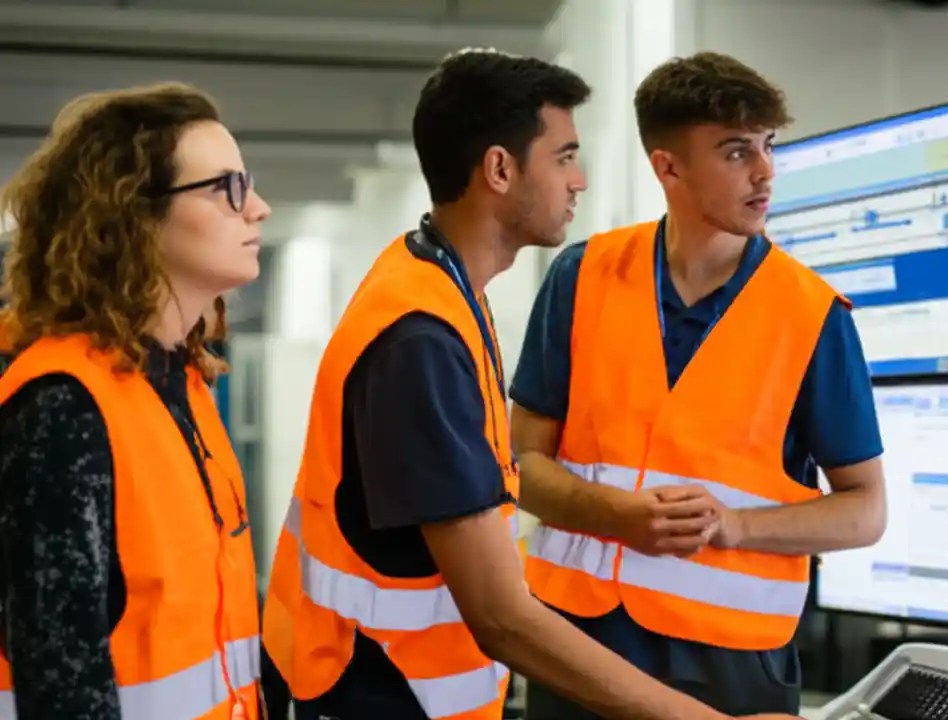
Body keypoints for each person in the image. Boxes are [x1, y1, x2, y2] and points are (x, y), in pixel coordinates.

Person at [260, 48, 802, 720]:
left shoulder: (440, 289)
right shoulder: (421, 338)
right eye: (565, 156)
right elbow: (503, 619)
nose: (579, 180)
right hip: (380, 694)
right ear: (499, 169)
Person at [511, 51, 889, 718]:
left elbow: (865, 510)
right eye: (737, 151)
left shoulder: (813, 317)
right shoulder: (581, 278)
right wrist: (616, 516)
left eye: (769, 146)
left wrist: (735, 526)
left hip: (734, 668)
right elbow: (522, 465)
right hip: (576, 646)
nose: (765, 171)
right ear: (668, 166)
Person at [0, 83, 271, 719]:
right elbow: (62, 686)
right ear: (133, 216)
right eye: (226, 188)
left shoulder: (184, 386)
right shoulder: (63, 406)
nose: (257, 207)